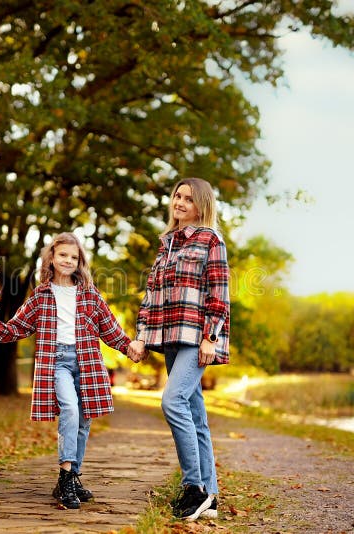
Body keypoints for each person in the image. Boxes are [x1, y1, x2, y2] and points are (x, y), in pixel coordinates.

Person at [0, 232, 143, 509]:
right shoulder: (41, 295)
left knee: (83, 419)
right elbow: (16, 328)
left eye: (74, 257)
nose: (68, 261)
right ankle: (66, 474)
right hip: (56, 361)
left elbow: (110, 328)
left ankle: (72, 478)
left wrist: (129, 347)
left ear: (80, 261)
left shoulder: (90, 294)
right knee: (70, 409)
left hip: (87, 361)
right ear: (52, 258)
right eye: (63, 256)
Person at [129, 177, 230, 521]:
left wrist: (210, 337)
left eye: (188, 198)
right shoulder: (167, 243)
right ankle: (210, 496)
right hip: (168, 333)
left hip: (196, 336)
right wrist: (141, 334)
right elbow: (151, 295)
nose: (180, 202)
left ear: (201, 206)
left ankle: (193, 488)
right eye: (177, 196)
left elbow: (219, 292)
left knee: (172, 401)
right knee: (196, 415)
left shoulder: (210, 240)